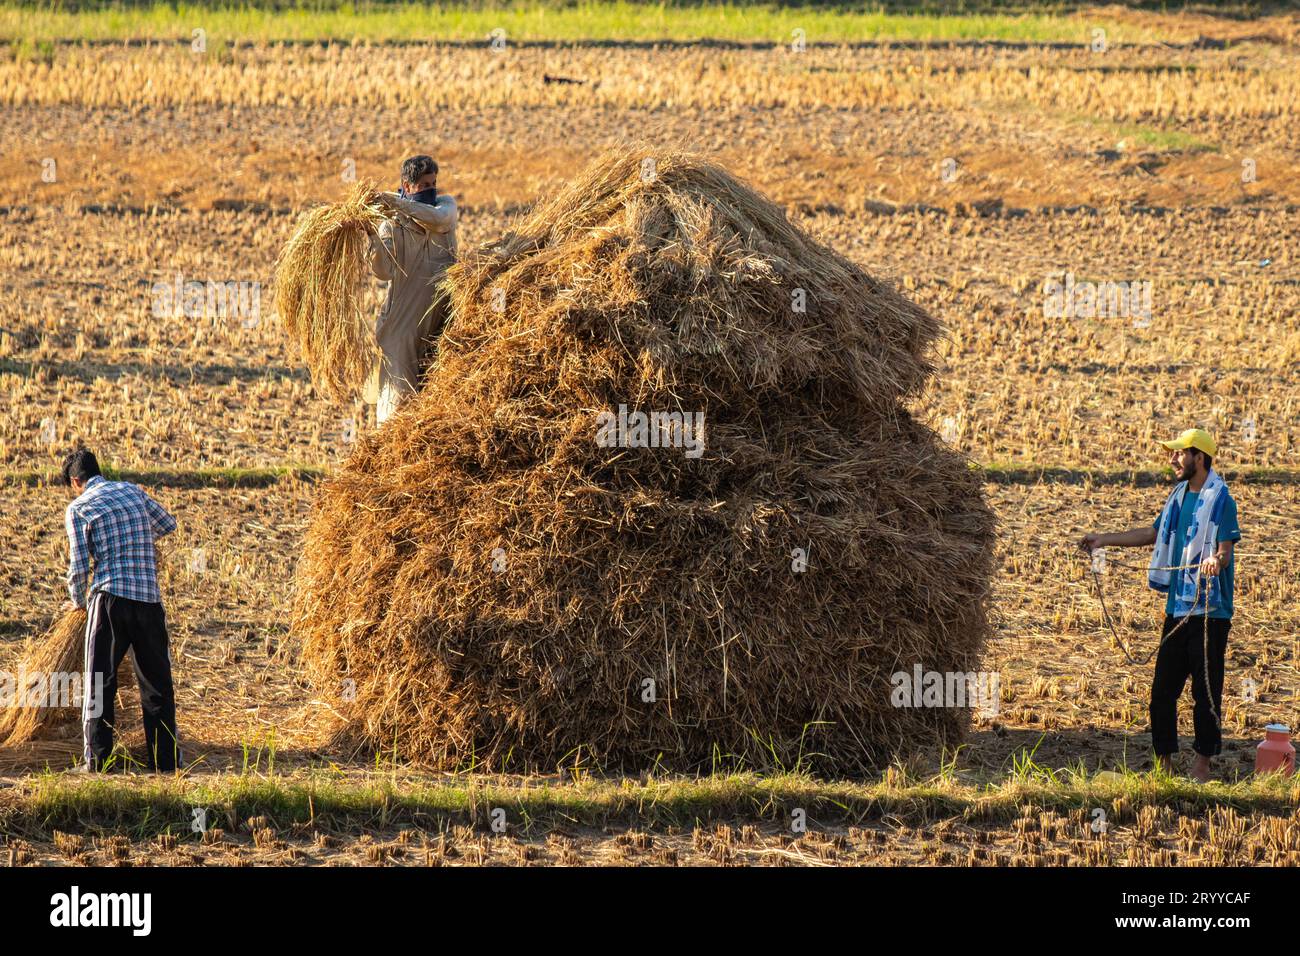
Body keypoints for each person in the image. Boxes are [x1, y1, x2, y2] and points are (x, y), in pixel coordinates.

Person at [1078, 429, 1241, 783]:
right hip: (1178, 609)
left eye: (1180, 453)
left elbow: (1226, 550)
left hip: (1210, 613)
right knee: (1162, 692)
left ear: (1200, 457)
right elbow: (1152, 535)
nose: (1172, 459)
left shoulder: (1221, 500)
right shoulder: (1177, 498)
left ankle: (1201, 767)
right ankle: (1164, 766)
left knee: (1206, 692)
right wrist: (1103, 539)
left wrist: (1216, 560)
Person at [61, 448, 182, 773]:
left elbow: (78, 566)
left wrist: (78, 603)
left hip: (110, 599)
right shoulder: (133, 491)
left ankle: (96, 762)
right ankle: (166, 764)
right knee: (157, 684)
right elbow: (168, 524)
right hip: (148, 599)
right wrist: (135, 538)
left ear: (76, 481)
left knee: (98, 682)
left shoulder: (79, 507)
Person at [366, 154, 458, 424]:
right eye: (424, 185)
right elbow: (382, 271)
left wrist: (394, 203)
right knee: (397, 409)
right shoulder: (392, 226)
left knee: (436, 404)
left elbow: (438, 219)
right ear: (407, 186)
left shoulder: (445, 208)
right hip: (402, 326)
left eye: (434, 183)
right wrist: (372, 235)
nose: (431, 190)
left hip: (439, 320)